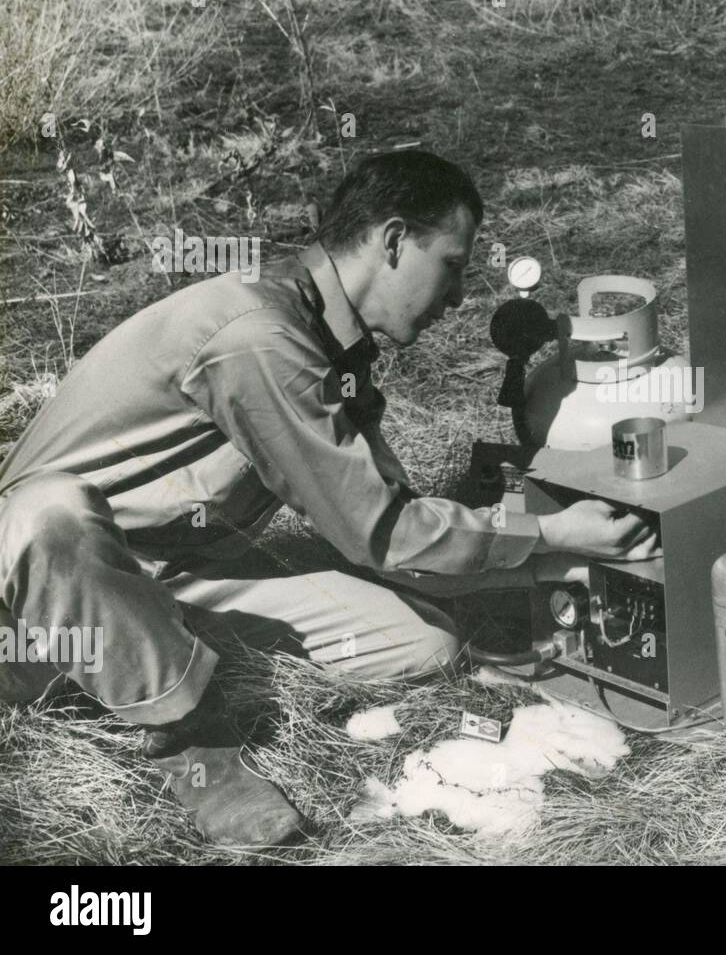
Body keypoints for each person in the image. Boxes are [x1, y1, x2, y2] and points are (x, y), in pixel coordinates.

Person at [0, 150, 656, 848]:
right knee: (51, 514)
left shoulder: (326, 343)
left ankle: (145, 660)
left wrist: (550, 568)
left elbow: (393, 537)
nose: (460, 296)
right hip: (40, 596)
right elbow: (386, 533)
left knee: (424, 643)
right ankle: (191, 740)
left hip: (169, 576)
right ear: (394, 240)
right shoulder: (258, 336)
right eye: (452, 265)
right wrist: (551, 535)